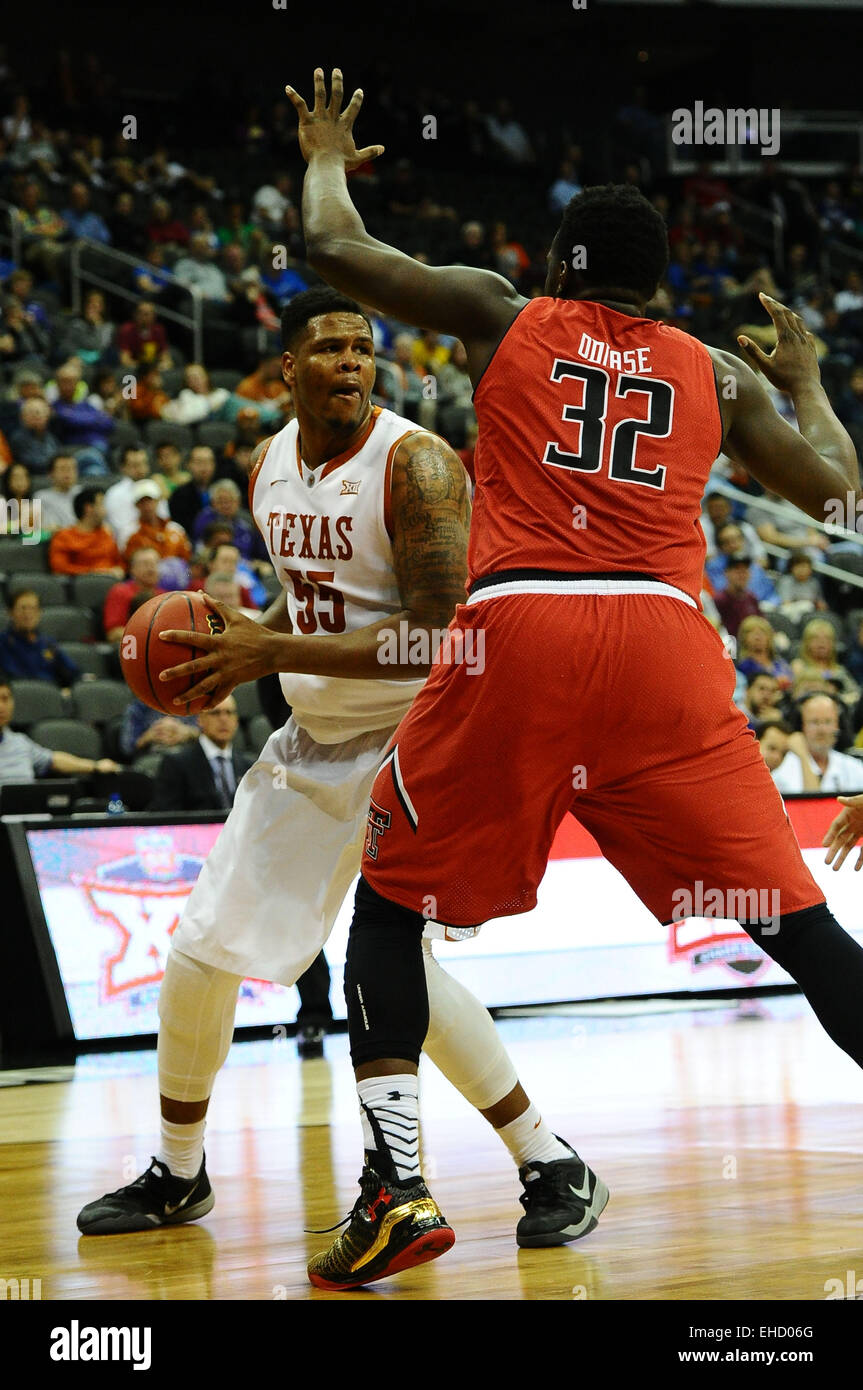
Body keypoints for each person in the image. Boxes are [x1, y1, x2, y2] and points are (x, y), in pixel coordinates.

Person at [210, 71, 863, 1290]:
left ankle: (397, 1191)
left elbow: (329, 240)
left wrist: (321, 152)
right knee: (799, 931)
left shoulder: (507, 316)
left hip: (521, 629)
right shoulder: (714, 372)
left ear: (559, 268)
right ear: (659, 282)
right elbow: (839, 498)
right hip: (668, 645)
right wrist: (812, 387)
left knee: (392, 906)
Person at [76, 285, 584, 1249]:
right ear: (287, 371)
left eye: (364, 347)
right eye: (331, 348)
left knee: (393, 970)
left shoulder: (417, 465)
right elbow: (317, 607)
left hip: (421, 736)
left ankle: (544, 1158)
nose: (353, 361)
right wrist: (253, 639)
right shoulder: (269, 462)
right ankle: (178, 1175)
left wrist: (270, 654)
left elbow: (439, 639)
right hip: (315, 738)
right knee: (199, 949)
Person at [147, 695, 335, 1057]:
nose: (224, 720)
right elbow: (165, 822)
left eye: (230, 713)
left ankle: (314, 1017)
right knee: (203, 951)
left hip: (257, 866)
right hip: (206, 874)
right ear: (199, 720)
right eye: (215, 713)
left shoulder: (254, 761)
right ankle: (192, 1028)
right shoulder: (176, 764)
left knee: (299, 925)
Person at [0, 671, 120, 783]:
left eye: (5, 699)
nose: (1, 707)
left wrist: (95, 766)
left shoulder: (19, 742)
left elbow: (54, 760)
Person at [772, 694, 863, 794]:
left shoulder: (855, 768)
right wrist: (804, 757)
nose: (821, 730)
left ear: (837, 726)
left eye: (828, 722)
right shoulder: (783, 771)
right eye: (814, 722)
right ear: (802, 726)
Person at [0, 590, 78, 688]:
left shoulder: (49, 643)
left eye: (33, 608)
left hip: (49, 697)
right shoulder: (3, 643)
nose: (28, 614)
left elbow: (72, 672)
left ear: (40, 613)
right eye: (23, 608)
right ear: (10, 613)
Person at [49, 486, 124, 576]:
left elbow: (119, 562)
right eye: (101, 504)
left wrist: (120, 569)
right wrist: (95, 573)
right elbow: (59, 567)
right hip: (81, 585)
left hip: (111, 584)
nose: (105, 510)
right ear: (89, 508)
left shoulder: (106, 533)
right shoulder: (64, 536)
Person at [103, 547, 163, 643]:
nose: (151, 568)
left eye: (154, 563)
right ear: (132, 569)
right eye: (145, 564)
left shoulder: (166, 595)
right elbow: (114, 633)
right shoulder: (120, 592)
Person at [33, 453, 80, 533]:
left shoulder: (82, 493)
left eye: (72, 468)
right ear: (50, 474)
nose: (68, 473)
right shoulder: (41, 497)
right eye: (62, 469)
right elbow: (32, 530)